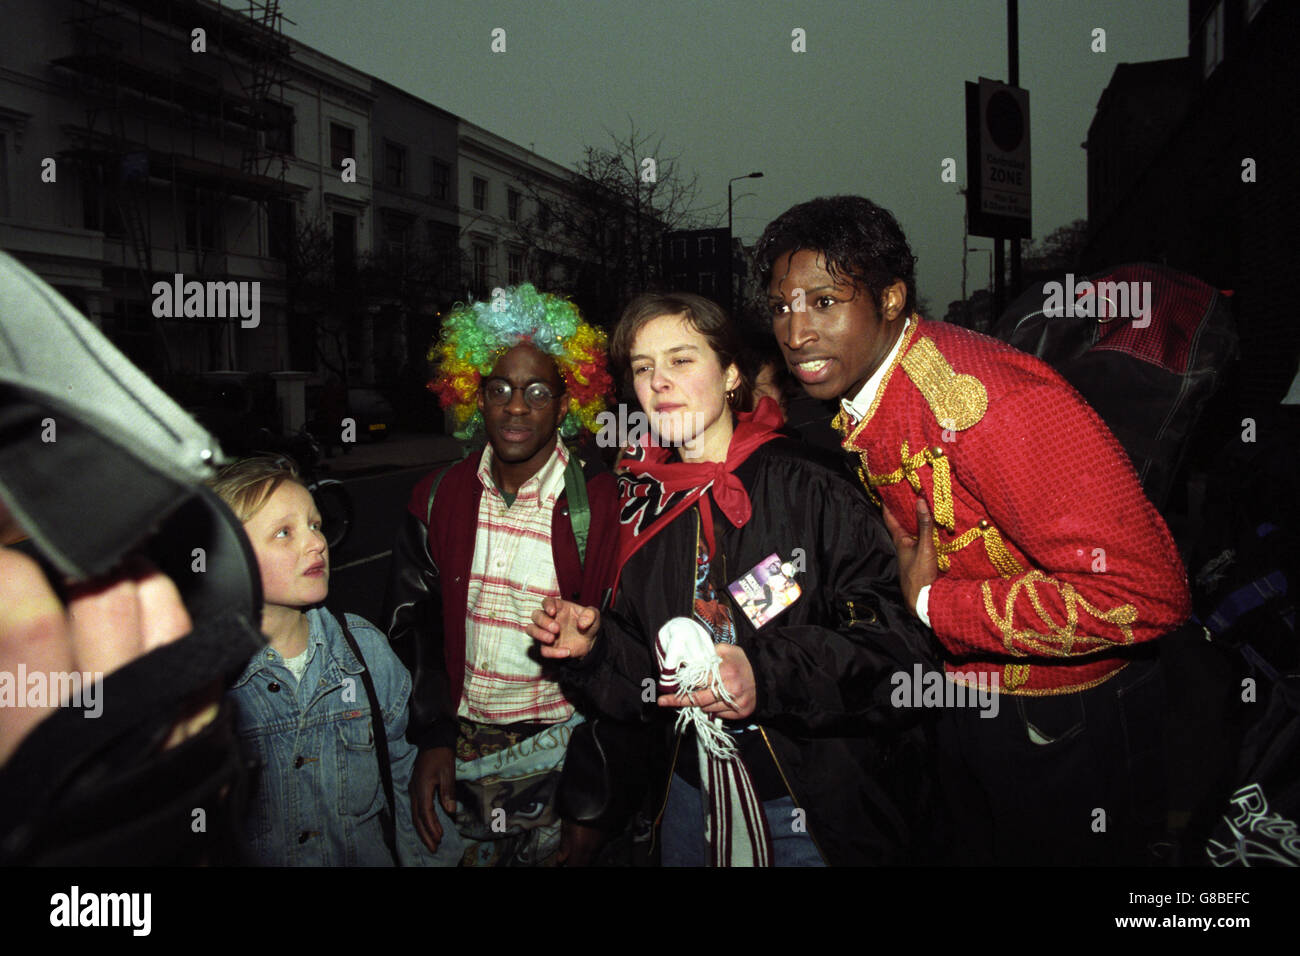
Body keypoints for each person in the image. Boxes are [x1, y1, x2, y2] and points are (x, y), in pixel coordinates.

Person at [755, 195, 1193, 864]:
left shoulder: (983, 404)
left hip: (1062, 723)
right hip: (970, 700)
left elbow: (1146, 593)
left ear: (891, 298)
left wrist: (936, 605)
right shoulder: (873, 390)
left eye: (823, 302)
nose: (796, 333)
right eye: (781, 308)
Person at [528, 291, 936, 867]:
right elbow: (647, 685)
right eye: (643, 368)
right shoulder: (636, 504)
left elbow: (898, 653)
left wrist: (763, 674)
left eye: (681, 359)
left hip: (814, 808)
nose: (658, 382)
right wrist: (594, 649)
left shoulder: (813, 485)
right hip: (687, 800)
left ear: (731, 375)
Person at [383, 284, 624, 866]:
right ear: (476, 396)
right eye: (500, 389)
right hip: (457, 755)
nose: (517, 407)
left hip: (561, 753)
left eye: (538, 391)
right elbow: (411, 627)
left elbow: (626, 656)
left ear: (566, 405)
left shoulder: (603, 507)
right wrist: (434, 735)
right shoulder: (436, 496)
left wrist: (593, 802)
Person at [210, 455, 458, 866]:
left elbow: (405, 777)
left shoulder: (365, 652)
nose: (317, 543)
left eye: (315, 524)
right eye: (284, 533)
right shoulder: (207, 683)